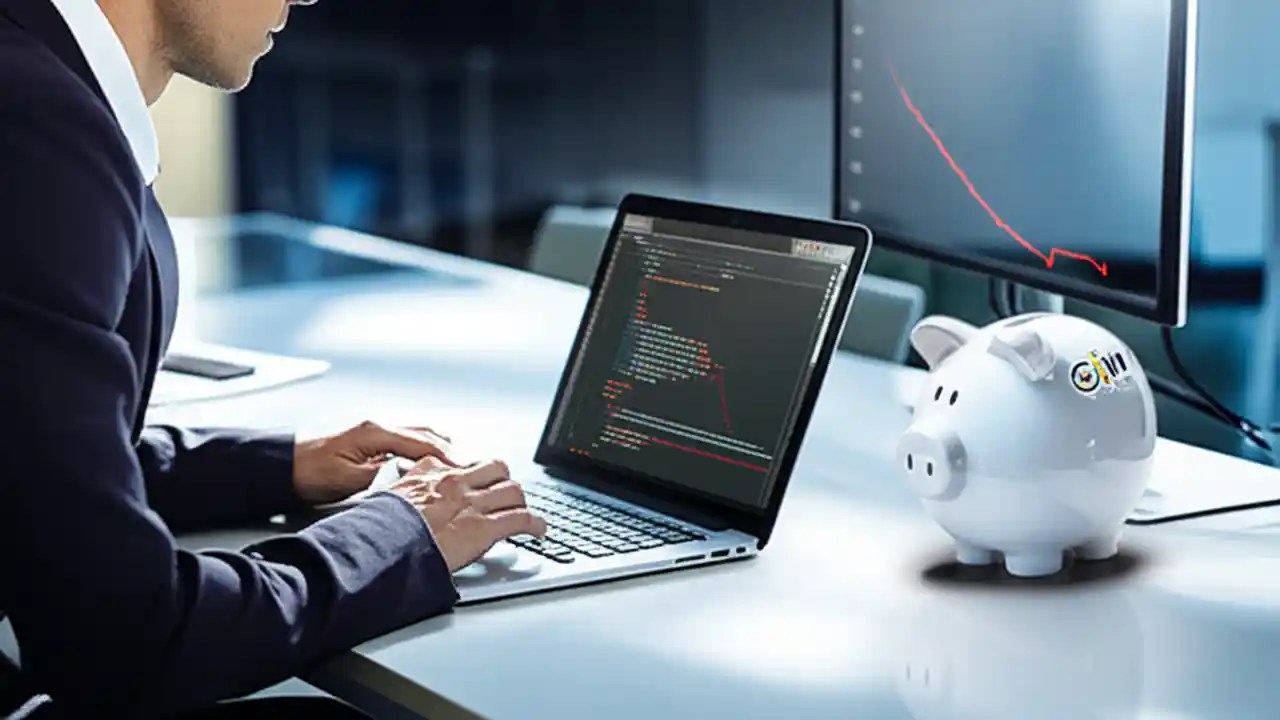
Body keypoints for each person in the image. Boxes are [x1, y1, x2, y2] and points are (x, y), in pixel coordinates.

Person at [0, 0, 547, 717]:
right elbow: (126, 638)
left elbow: (33, 469)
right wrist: (397, 535)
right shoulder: (39, 129)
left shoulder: (38, 86)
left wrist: (276, 466)